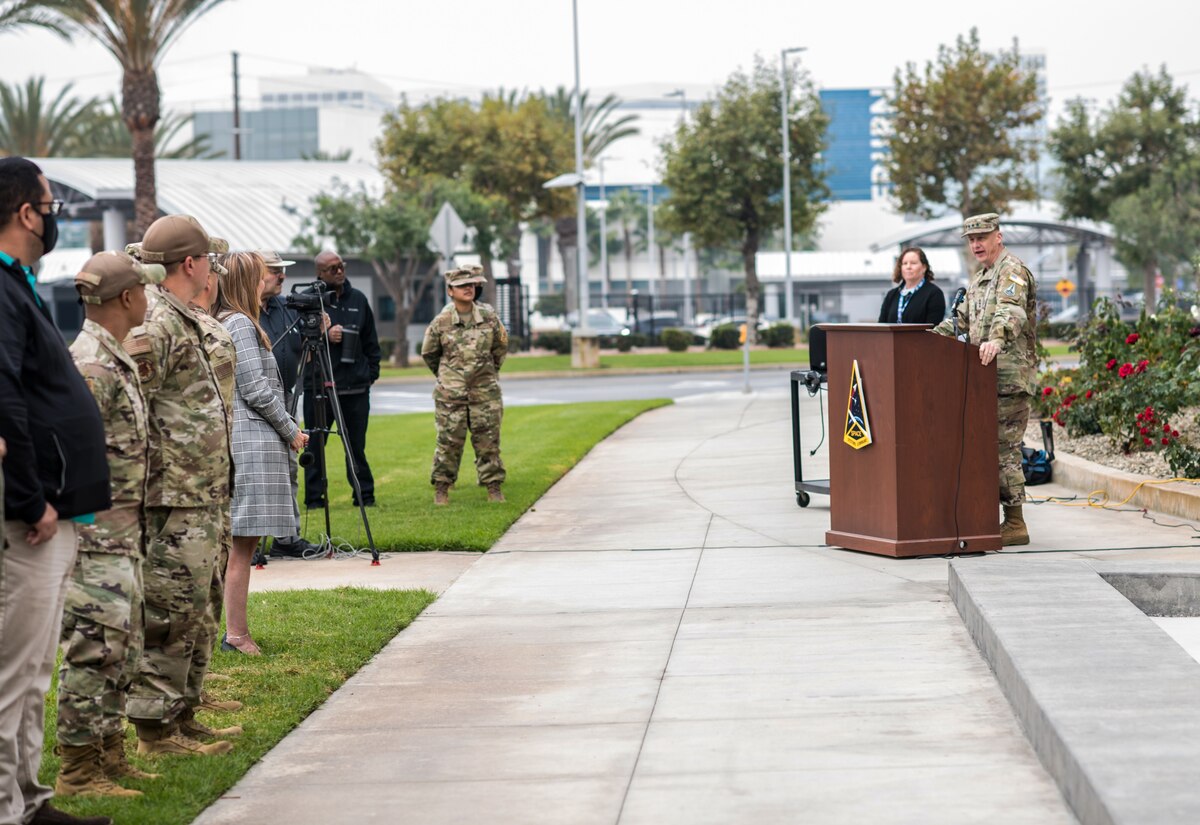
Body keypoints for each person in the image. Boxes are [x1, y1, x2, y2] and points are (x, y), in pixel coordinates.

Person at [0, 157, 113, 825]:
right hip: (32, 514)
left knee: (35, 667)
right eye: (48, 203)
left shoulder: (19, 282)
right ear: (25, 213)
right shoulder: (2, 286)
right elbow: (4, 394)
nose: (53, 214)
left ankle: (30, 800)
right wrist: (29, 496)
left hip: (55, 506)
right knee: (14, 675)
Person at [123, 215, 237, 757]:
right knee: (169, 612)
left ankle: (183, 714)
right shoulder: (157, 324)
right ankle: (155, 732)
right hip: (172, 498)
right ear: (189, 263)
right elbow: (129, 407)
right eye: (208, 260)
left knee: (198, 605)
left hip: (202, 491)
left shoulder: (182, 317)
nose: (214, 268)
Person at [56, 252, 166, 800]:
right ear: (127, 298)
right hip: (97, 538)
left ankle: (109, 755)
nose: (150, 299)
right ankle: (77, 771)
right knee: (93, 650)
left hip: (124, 533)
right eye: (144, 291)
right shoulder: (91, 366)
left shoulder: (112, 356)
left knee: (119, 648)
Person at [217, 252, 308, 655]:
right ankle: (236, 635)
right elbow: (254, 388)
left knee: (242, 546)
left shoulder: (235, 321)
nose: (265, 283)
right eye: (259, 277)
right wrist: (291, 430)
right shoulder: (238, 323)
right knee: (241, 547)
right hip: (250, 445)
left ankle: (234, 631)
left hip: (250, 443)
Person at [932, 212, 1038, 546]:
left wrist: (997, 338)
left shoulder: (1012, 271)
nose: (976, 244)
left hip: (1007, 376)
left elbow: (1011, 311)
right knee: (983, 448)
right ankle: (988, 515)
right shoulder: (981, 278)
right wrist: (927, 340)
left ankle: (1015, 523)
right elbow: (959, 321)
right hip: (982, 378)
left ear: (998, 236)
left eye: (982, 237)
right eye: (972, 239)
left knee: (1002, 448)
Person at [421, 266, 509, 505]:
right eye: (462, 286)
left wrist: (487, 373)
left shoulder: (489, 316)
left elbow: (500, 348)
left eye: (472, 285)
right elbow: (429, 353)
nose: (468, 289)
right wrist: (450, 378)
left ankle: (493, 487)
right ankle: (442, 488)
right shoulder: (442, 321)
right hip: (451, 395)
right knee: (448, 444)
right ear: (450, 290)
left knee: (488, 443)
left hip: (485, 392)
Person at [302, 251, 381, 510]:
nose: (339, 271)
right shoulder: (310, 302)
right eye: (332, 268)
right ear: (320, 274)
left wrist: (369, 375)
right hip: (319, 386)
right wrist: (325, 334)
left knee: (355, 445)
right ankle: (314, 499)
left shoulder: (358, 299)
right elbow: (299, 344)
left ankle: (364, 496)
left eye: (341, 266)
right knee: (316, 444)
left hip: (355, 387)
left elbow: (372, 343)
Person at [256, 249, 319, 558]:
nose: (282, 276)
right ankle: (250, 541)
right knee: (254, 468)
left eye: (283, 270)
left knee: (288, 467)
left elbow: (303, 348)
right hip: (252, 400)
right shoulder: (241, 312)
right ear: (256, 273)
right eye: (274, 270)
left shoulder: (286, 308)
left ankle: (287, 537)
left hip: (288, 396)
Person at [878, 247, 946, 324]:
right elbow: (881, 326)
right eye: (905, 263)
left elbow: (933, 329)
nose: (908, 267)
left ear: (924, 267)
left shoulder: (934, 294)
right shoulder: (891, 295)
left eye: (913, 263)